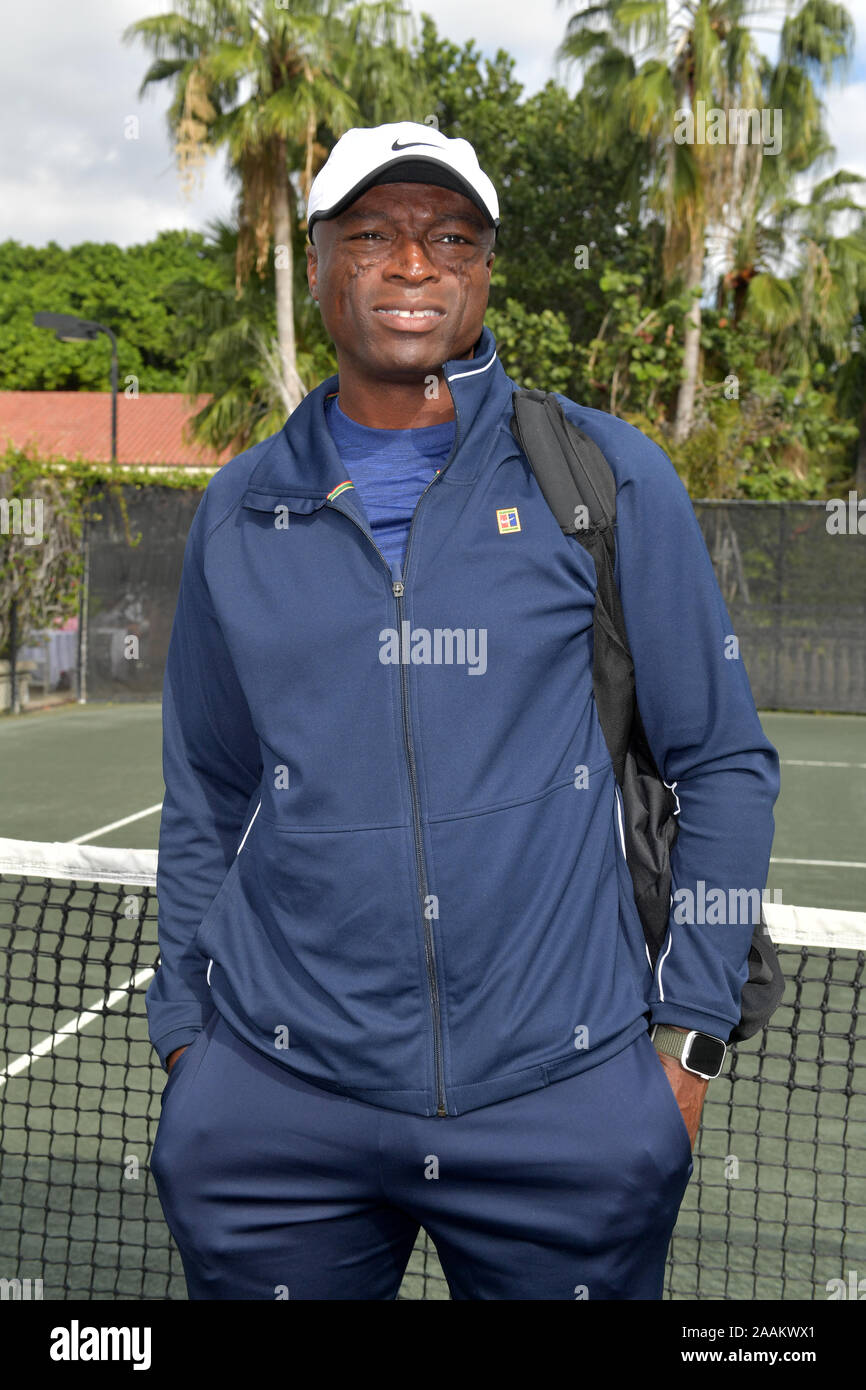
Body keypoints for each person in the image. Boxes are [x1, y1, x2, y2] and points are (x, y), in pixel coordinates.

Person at [148, 121, 780, 1301]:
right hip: (275, 1110)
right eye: (371, 235)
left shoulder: (604, 475)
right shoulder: (239, 509)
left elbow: (725, 763)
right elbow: (208, 792)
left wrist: (685, 1045)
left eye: (448, 237)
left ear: (485, 272)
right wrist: (190, 1040)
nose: (411, 264)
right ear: (323, 261)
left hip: (566, 1105)